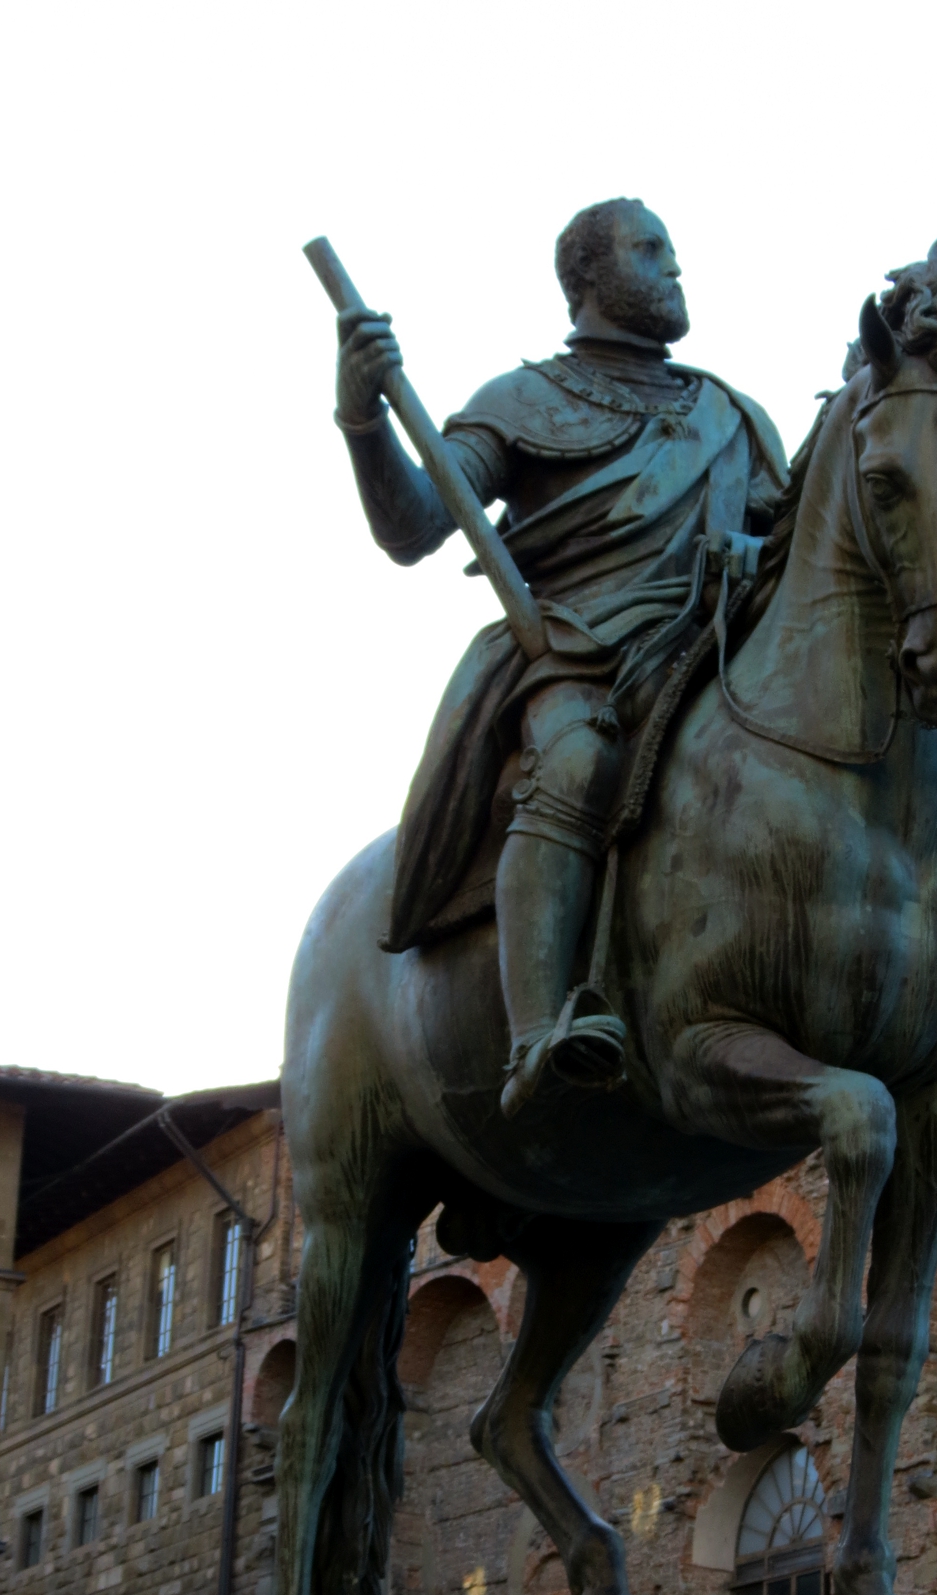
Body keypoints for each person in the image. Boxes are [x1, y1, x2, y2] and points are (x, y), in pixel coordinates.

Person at [334, 198, 787, 1115]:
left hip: (720, 642)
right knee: (575, 763)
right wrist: (363, 422)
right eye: (651, 250)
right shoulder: (522, 400)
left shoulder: (729, 412)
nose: (674, 269)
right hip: (586, 654)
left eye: (671, 252)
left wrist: (758, 550)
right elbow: (417, 524)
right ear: (588, 275)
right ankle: (538, 1033)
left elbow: (789, 535)